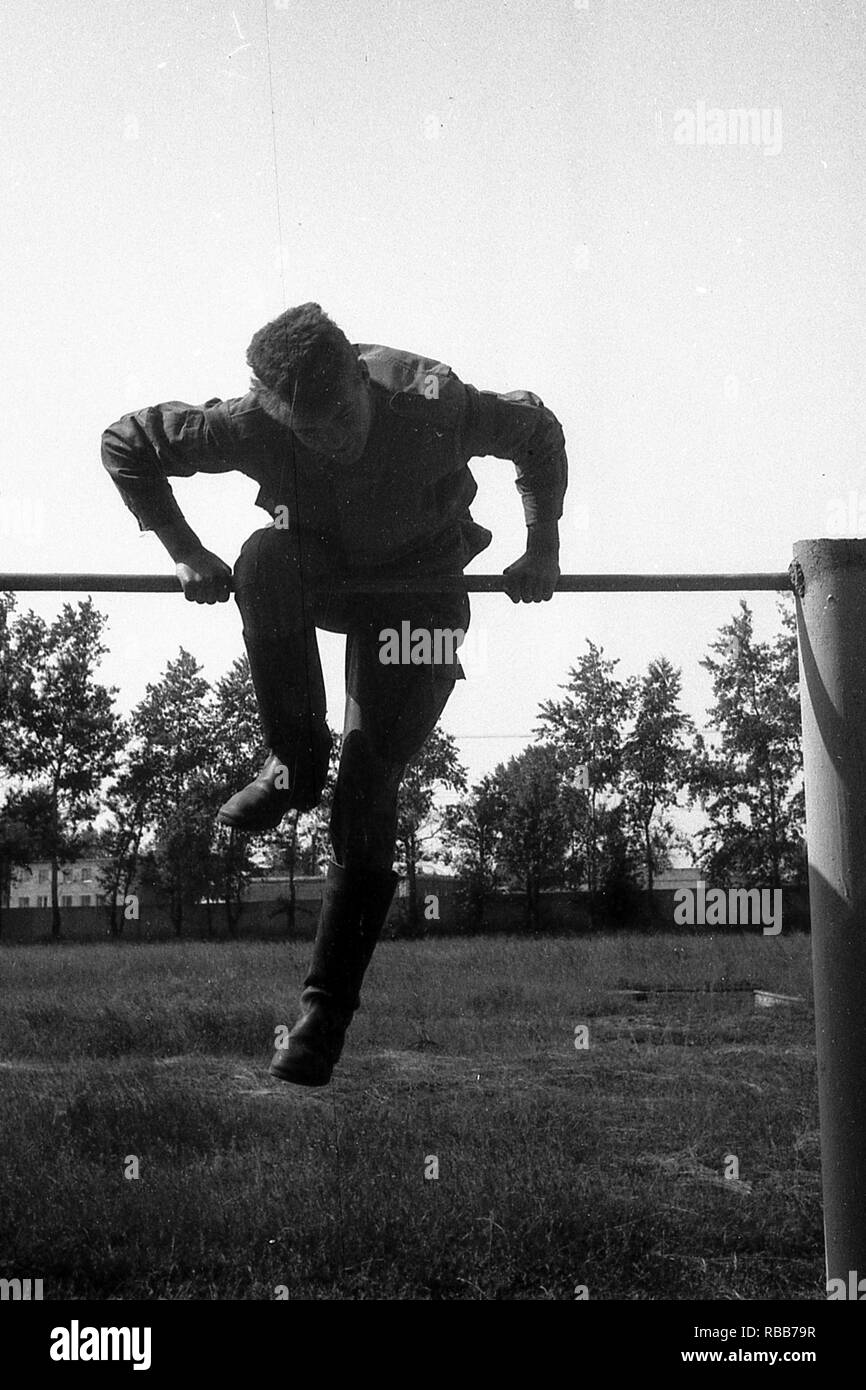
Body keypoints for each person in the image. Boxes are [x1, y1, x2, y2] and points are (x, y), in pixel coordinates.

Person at [101, 303, 568, 1085]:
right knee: (261, 558)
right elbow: (126, 443)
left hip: (418, 599)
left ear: (359, 372)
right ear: (275, 412)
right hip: (326, 579)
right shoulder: (249, 423)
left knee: (367, 786)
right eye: (310, 433)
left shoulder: (434, 404)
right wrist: (184, 551)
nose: (335, 441)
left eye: (344, 418)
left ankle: (322, 1016)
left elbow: (538, 430)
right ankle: (293, 761)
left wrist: (542, 545)